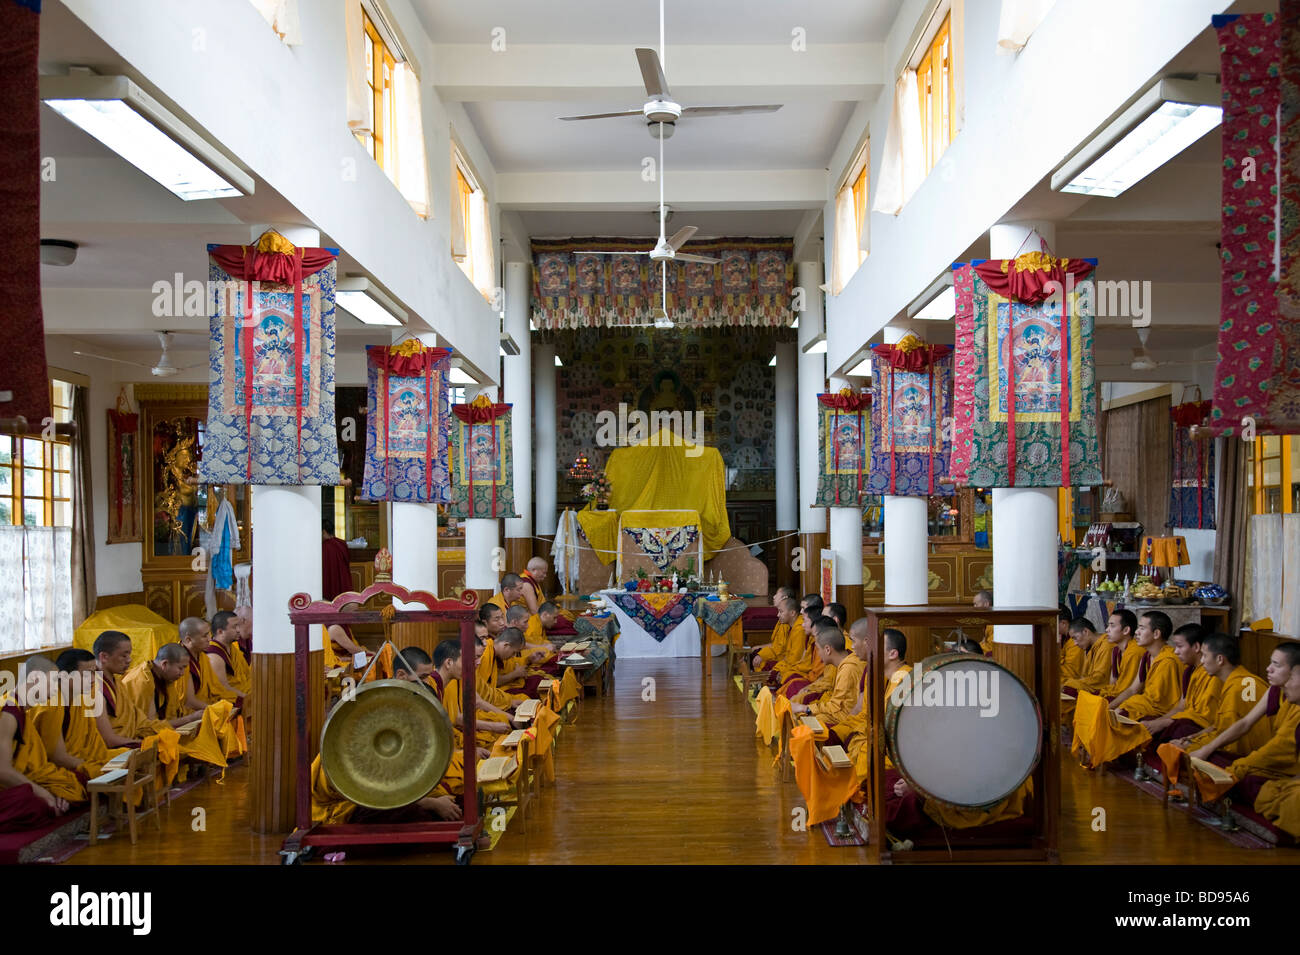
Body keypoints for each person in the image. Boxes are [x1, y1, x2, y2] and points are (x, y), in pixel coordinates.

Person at [0, 658, 84, 831]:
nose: (55, 690)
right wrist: (44, 793)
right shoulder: (8, 713)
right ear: (36, 678)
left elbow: (30, 764)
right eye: (53, 681)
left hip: (18, 781)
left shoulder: (20, 710)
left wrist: (49, 791)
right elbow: (2, 770)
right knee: (32, 804)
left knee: (71, 785)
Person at [791, 624, 864, 746]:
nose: (818, 655)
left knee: (805, 722)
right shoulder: (845, 662)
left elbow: (838, 708)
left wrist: (806, 708)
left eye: (818, 649)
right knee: (805, 716)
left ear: (828, 649)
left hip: (849, 719)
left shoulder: (848, 668)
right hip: (842, 713)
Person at [204, 610, 249, 702]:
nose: (238, 630)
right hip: (228, 699)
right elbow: (223, 689)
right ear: (220, 631)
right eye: (234, 627)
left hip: (241, 691)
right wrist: (249, 698)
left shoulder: (233, 649)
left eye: (238, 626)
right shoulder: (214, 655)